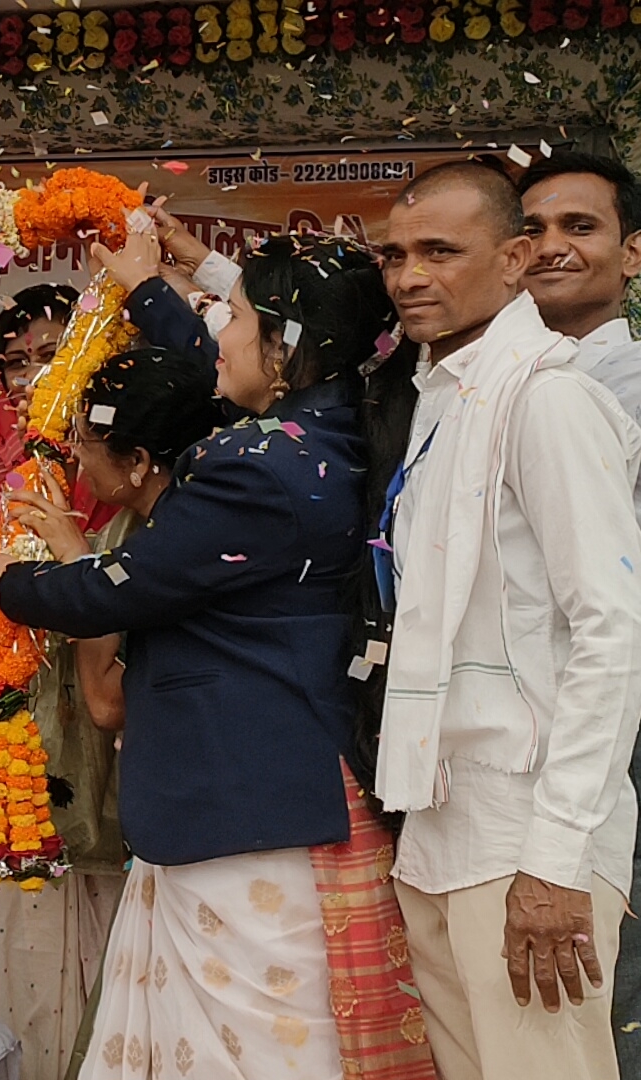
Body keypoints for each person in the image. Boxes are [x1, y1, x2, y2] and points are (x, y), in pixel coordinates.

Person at [0, 233, 436, 1080]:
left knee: (252, 1056)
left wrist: (14, 582)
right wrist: (148, 290)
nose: (217, 334)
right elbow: (213, 378)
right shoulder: (332, 431)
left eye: (233, 317)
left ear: (286, 347)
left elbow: (117, 590)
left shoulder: (258, 469)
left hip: (245, 801)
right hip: (279, 785)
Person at [376, 161, 641, 1080]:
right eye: (395, 255)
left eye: (440, 251)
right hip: (443, 828)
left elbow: (613, 629)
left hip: (530, 840)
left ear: (515, 259)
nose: (411, 276)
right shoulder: (448, 395)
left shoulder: (547, 397)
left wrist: (556, 859)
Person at [0, 345, 222, 1080]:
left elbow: (106, 700)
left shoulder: (165, 545)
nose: (78, 462)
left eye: (86, 445)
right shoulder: (165, 523)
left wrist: (76, 567)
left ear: (140, 461)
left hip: (172, 830)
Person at [517, 151, 641, 1077]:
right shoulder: (498, 381)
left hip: (613, 732)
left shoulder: (619, 387)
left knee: (606, 997)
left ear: (633, 254)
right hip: (526, 740)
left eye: (581, 227)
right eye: (533, 229)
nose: (552, 246)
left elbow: (611, 611)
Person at [0, 284, 116, 635]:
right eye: (16, 363)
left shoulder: (126, 456)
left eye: (51, 356)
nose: (32, 376)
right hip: (2, 656)